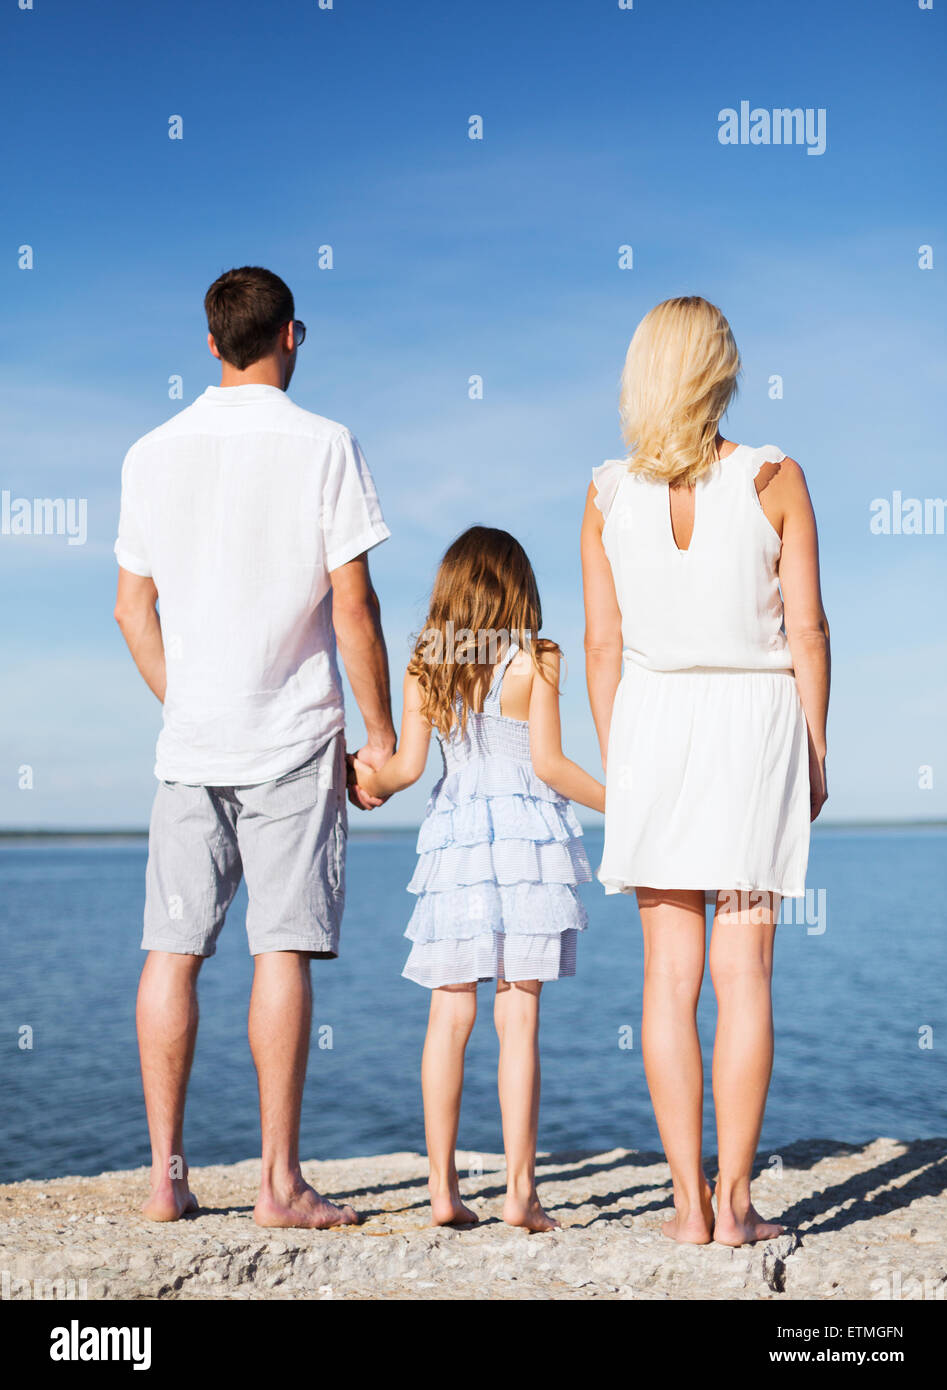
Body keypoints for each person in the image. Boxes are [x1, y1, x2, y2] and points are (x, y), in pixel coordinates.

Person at [114, 265, 395, 1228]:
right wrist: (383, 736)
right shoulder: (325, 445)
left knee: (171, 951)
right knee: (282, 949)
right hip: (294, 737)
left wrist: (185, 696)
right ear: (291, 336)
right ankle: (278, 1184)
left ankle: (166, 1178)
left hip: (190, 741)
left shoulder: (150, 452)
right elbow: (352, 604)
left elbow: (130, 608)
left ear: (209, 344)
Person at [581, 296, 830, 1246]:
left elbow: (603, 648)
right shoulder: (774, 477)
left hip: (652, 725)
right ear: (719, 371)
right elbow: (806, 630)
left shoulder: (605, 495)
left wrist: (623, 754)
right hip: (755, 725)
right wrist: (816, 745)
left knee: (665, 979)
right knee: (747, 976)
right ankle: (735, 1205)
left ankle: (684, 1205)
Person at [354, 527, 604, 1231]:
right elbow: (551, 766)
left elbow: (404, 770)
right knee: (517, 1015)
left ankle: (442, 1192)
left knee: (449, 1013)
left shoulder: (426, 661)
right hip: (526, 846)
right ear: (516, 586)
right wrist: (625, 802)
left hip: (456, 844)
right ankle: (520, 1196)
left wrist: (360, 778)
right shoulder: (539, 658)